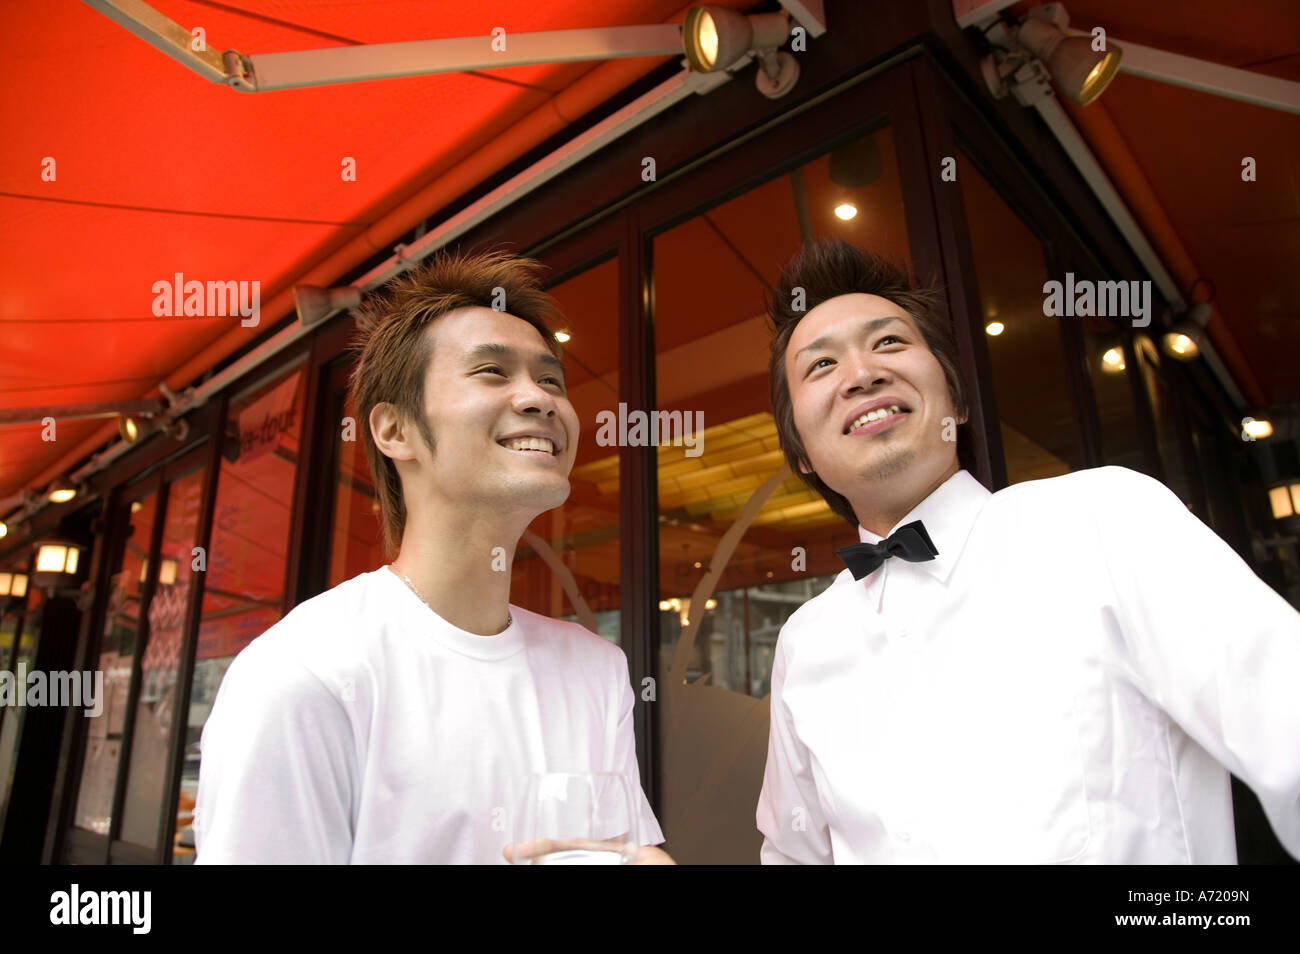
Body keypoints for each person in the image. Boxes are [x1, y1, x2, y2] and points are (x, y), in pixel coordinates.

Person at [755, 238, 1300, 864]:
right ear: (800, 452)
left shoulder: (1103, 519)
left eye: (889, 342)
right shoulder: (803, 641)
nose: (862, 374)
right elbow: (795, 855)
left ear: (956, 402)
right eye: (820, 366)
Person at [195, 249, 668, 864]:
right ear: (393, 430)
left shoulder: (596, 671)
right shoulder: (307, 671)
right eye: (493, 373)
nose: (540, 398)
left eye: (551, 379)